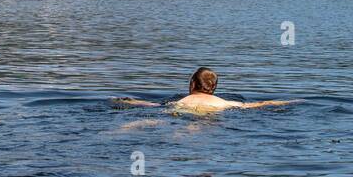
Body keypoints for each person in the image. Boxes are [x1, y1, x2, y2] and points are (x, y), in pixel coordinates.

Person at [113, 67, 294, 114]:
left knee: (150, 122)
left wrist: (124, 100)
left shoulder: (180, 101)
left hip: (179, 112)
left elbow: (150, 105)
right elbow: (260, 104)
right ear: (214, 87)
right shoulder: (225, 103)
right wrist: (292, 101)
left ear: (192, 84)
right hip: (213, 114)